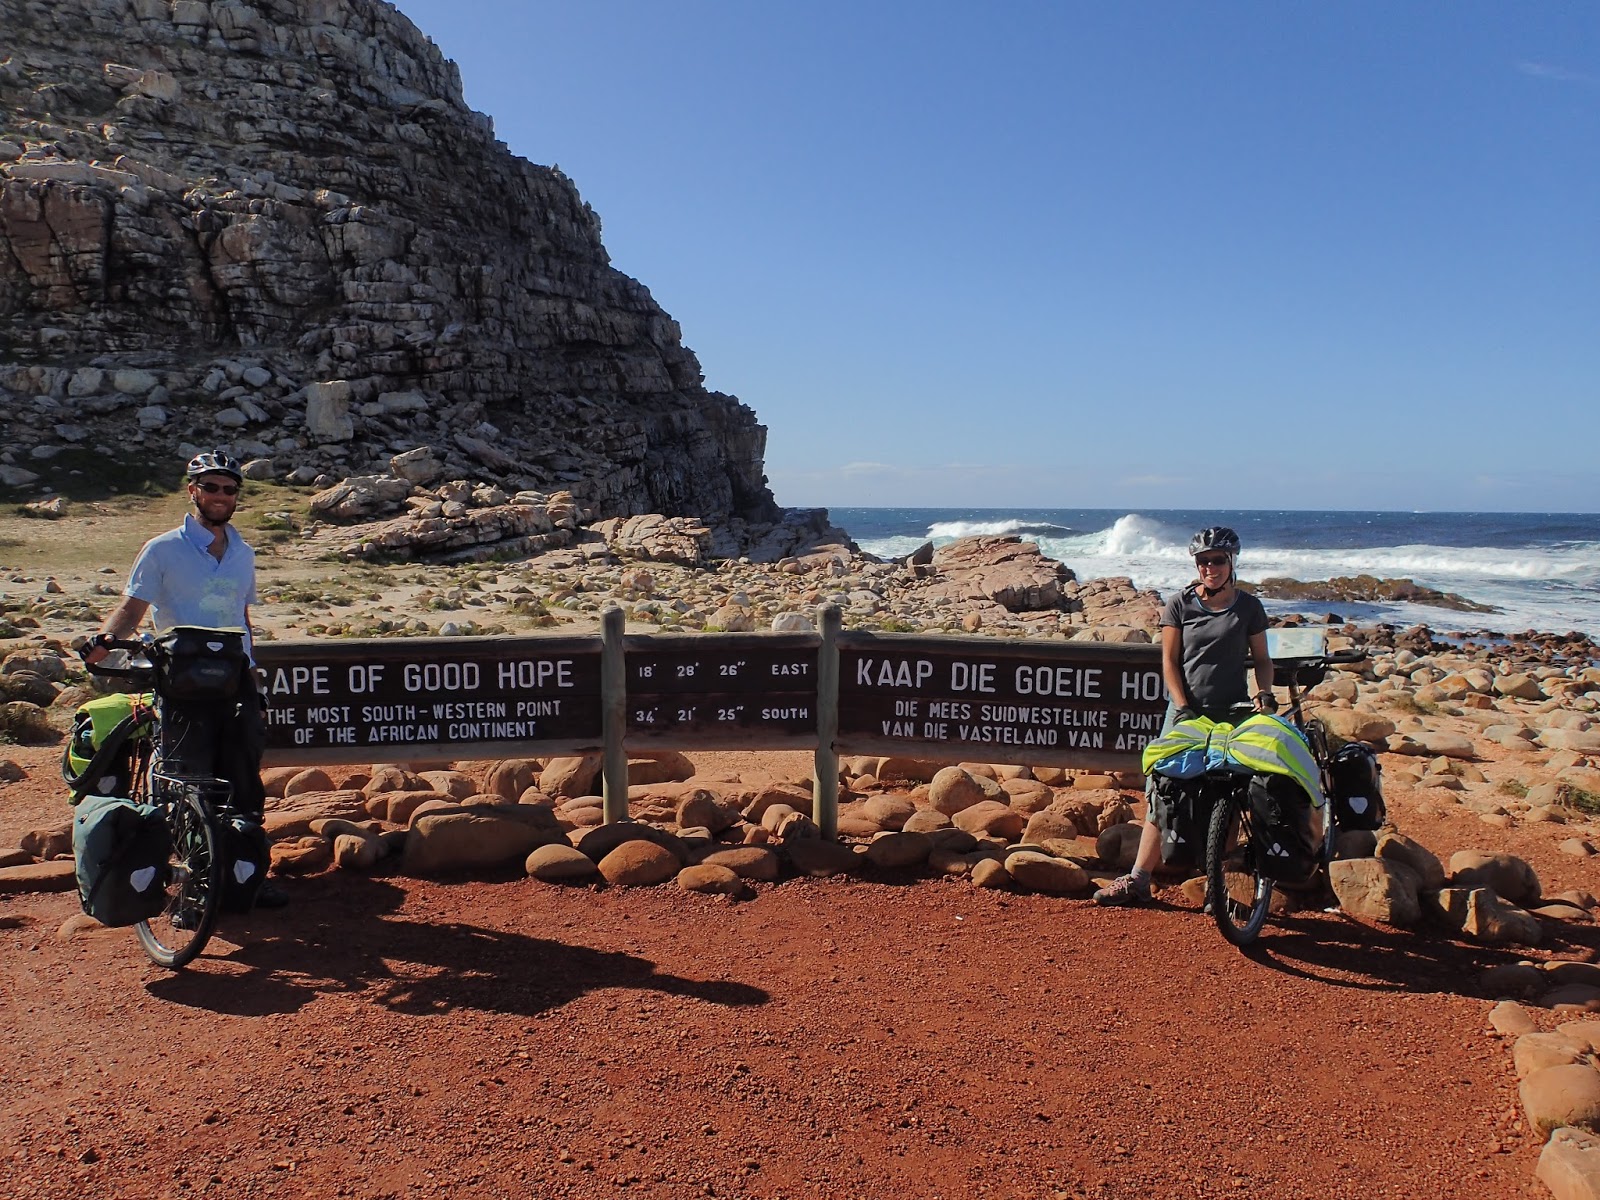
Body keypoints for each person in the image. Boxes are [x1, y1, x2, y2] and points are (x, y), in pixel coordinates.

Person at [85, 450, 287, 908]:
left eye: (229, 489)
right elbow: (133, 608)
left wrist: (253, 678)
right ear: (192, 490)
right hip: (181, 683)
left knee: (242, 781)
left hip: (234, 680)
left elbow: (242, 617)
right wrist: (104, 639)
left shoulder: (243, 552)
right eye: (210, 487)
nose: (220, 496)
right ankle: (196, 885)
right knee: (187, 782)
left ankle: (245, 877)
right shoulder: (163, 549)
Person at [1093, 525, 1276, 907]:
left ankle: (1216, 885)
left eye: (1218, 561)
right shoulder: (1179, 604)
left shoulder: (1249, 607)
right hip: (1185, 713)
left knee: (1231, 794)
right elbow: (1170, 662)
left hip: (1232, 712)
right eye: (1204, 561)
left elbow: (1261, 660)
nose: (1210, 568)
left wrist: (1263, 693)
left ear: (1231, 563)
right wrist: (1183, 706)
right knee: (1164, 791)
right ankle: (1139, 879)